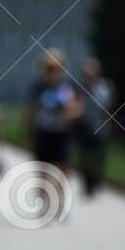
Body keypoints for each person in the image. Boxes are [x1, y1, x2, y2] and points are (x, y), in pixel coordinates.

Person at [22, 48, 81, 182]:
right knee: (43, 170)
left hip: (62, 133)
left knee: (64, 167)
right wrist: (26, 133)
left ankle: (59, 195)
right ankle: (44, 196)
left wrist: (69, 112)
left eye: (55, 68)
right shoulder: (37, 88)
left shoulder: (68, 87)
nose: (52, 72)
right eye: (49, 68)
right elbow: (29, 111)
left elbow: (77, 108)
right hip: (43, 132)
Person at [74, 58, 117, 197]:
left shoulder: (106, 86)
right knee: (85, 156)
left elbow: (109, 107)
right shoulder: (81, 87)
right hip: (84, 126)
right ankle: (87, 183)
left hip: (101, 125)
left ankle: (97, 181)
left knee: (99, 156)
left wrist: (109, 123)